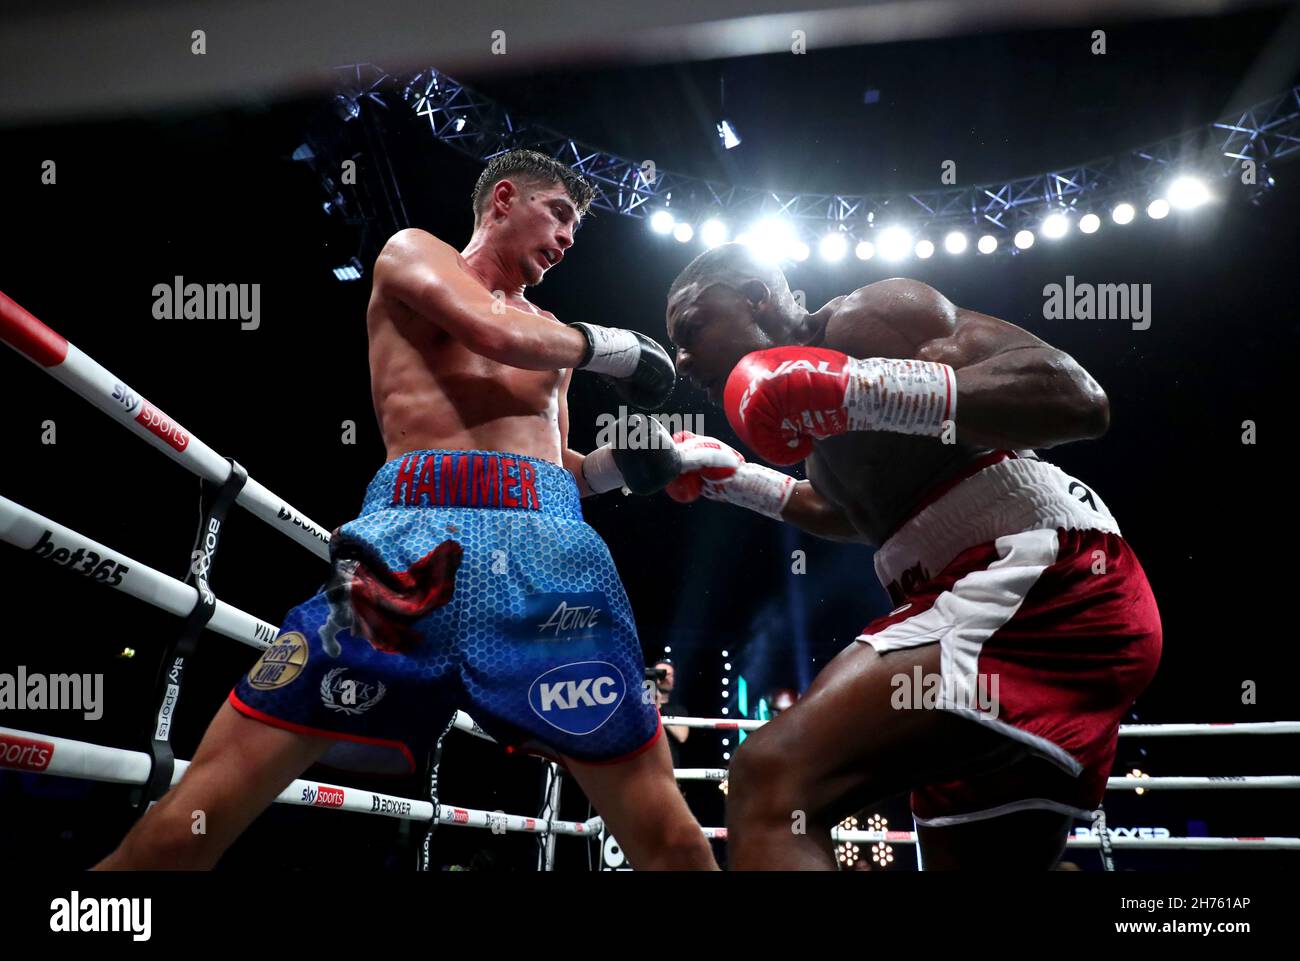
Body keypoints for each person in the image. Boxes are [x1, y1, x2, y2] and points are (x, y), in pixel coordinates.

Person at [96, 150, 722, 871]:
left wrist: (631, 464)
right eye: (559, 213)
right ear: (504, 200)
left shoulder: (548, 330)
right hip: (404, 551)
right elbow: (492, 331)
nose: (570, 236)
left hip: (550, 560)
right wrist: (613, 348)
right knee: (199, 813)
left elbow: (556, 466)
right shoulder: (415, 255)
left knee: (672, 839)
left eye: (577, 226)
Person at [663, 243, 1161, 870]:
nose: (681, 359)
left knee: (770, 781)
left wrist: (863, 386)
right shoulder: (816, 432)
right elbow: (860, 515)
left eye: (692, 328)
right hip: (999, 601)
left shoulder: (864, 319)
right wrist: (738, 481)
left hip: (1043, 578)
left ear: (756, 298)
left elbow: (1079, 400)